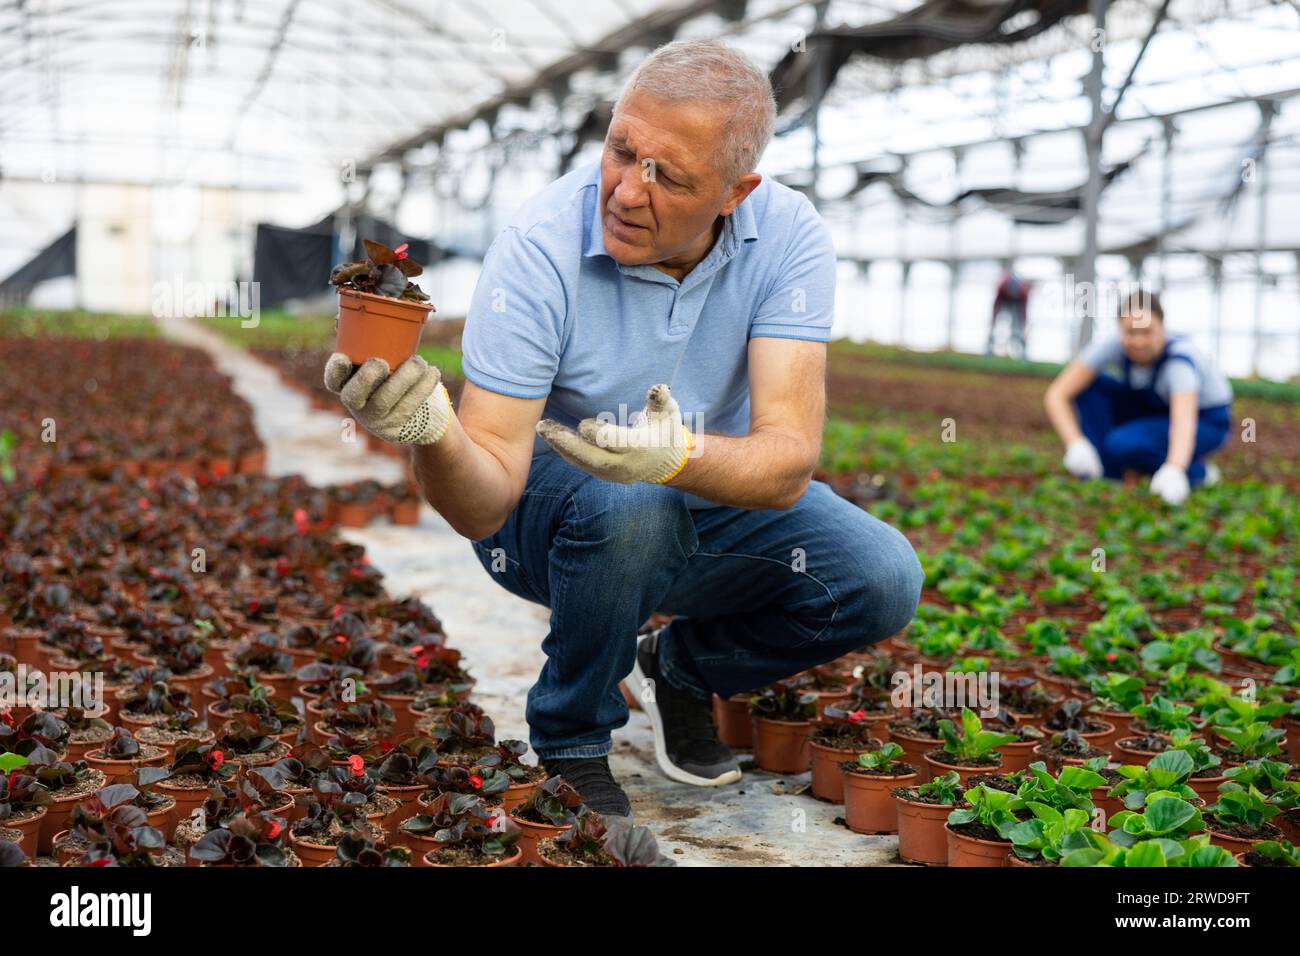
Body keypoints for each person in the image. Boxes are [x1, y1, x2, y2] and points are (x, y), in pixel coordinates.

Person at [320, 40, 923, 819]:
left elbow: (785, 462)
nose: (627, 192)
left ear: (736, 192)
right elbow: (484, 505)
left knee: (881, 578)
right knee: (633, 507)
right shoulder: (540, 248)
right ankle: (572, 736)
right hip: (553, 512)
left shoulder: (788, 237)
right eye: (622, 149)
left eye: (668, 176)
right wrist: (430, 429)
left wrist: (673, 456)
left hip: (700, 488)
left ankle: (682, 667)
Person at [1043, 290, 1233, 505]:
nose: (1139, 341)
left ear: (1162, 327)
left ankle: (1199, 473)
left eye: (1147, 332)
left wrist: (1175, 467)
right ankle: (1106, 470)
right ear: (1119, 329)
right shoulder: (1112, 345)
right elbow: (1057, 394)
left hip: (1206, 422)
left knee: (1124, 444)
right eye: (1130, 332)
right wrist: (1075, 443)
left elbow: (1183, 421)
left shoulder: (1179, 362)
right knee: (1090, 388)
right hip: (1155, 410)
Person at [987, 269, 1030, 357]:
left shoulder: (1023, 293)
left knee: (1017, 328)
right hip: (1004, 301)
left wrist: (1023, 324)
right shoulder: (1002, 288)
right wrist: (993, 321)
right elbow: (997, 305)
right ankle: (990, 349)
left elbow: (1023, 310)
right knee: (998, 326)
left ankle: (1021, 353)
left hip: (1017, 304)